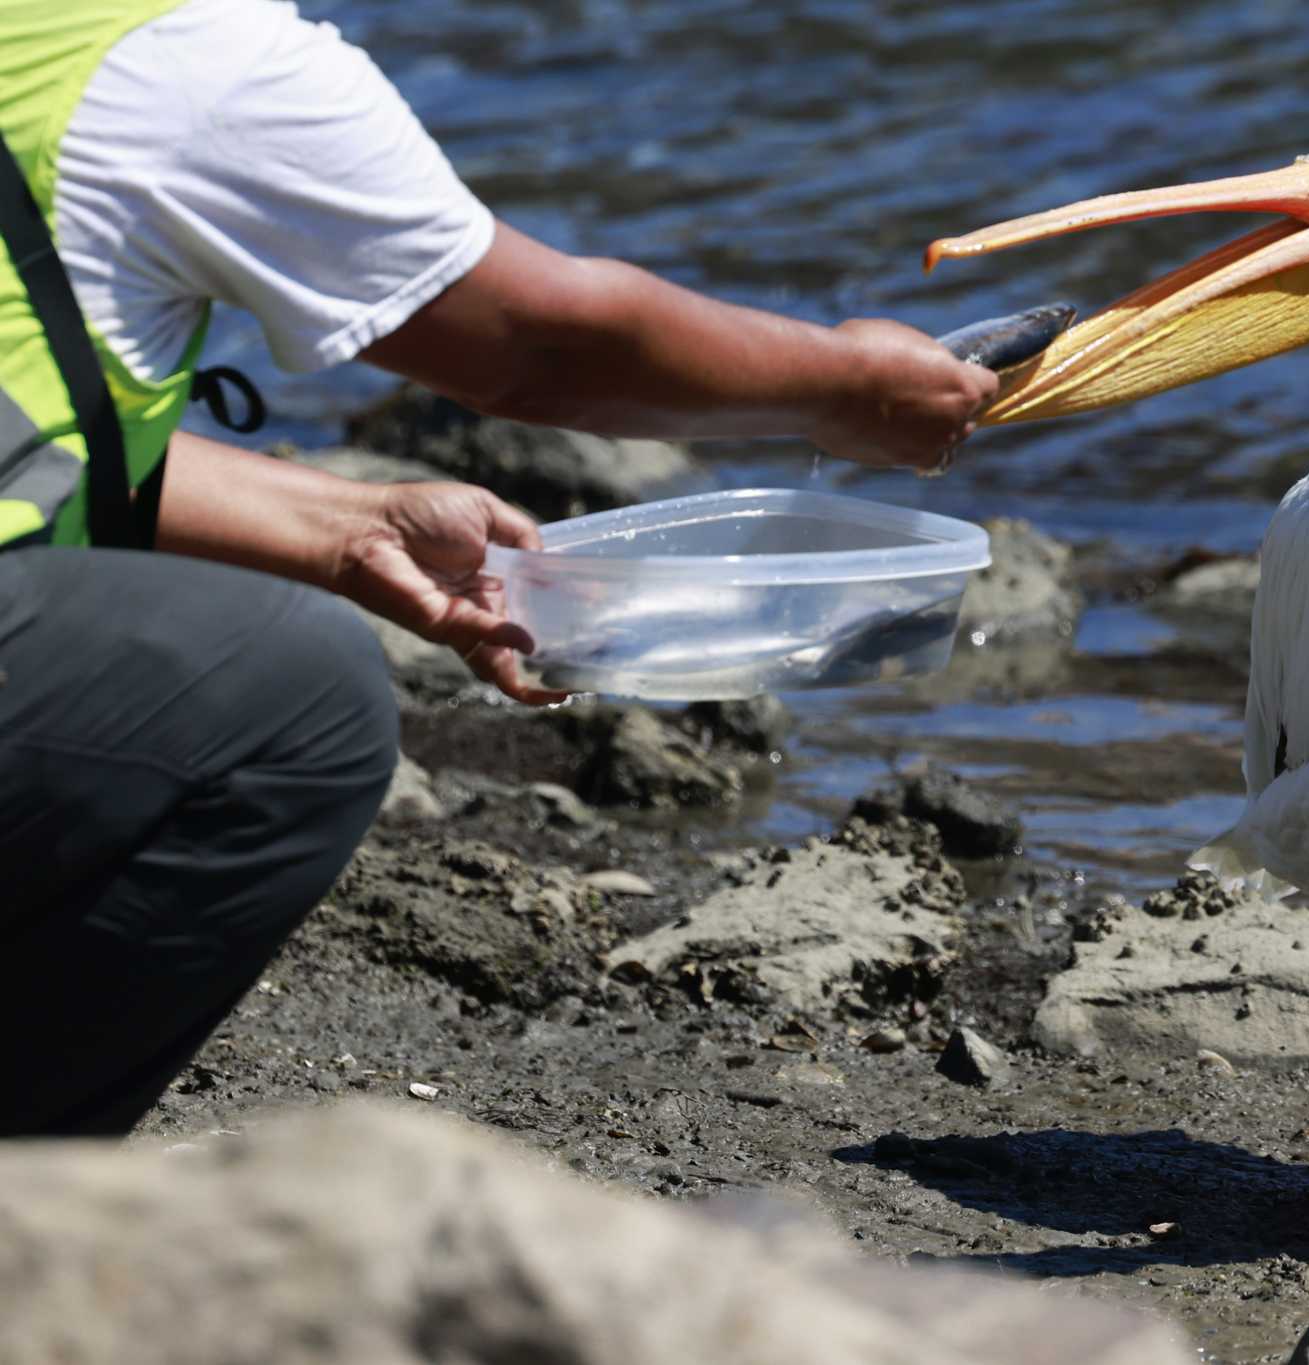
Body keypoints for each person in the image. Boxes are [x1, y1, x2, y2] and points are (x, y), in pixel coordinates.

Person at [0, 0, 999, 1137]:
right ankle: (35, 1229)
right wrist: (842, 389)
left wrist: (342, 526)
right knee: (296, 700)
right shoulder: (193, 66)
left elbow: (18, 444)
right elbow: (538, 345)